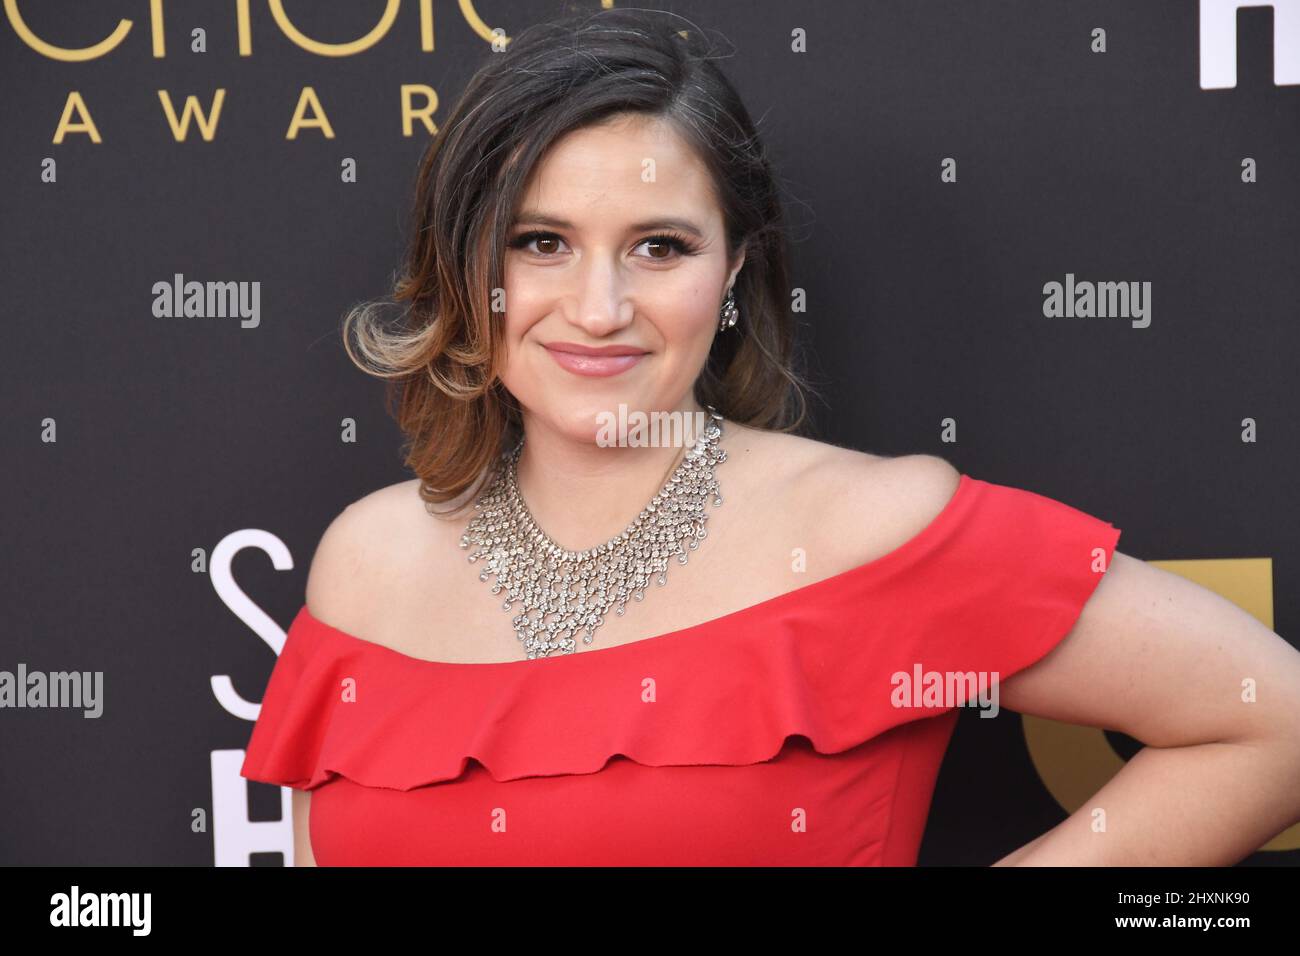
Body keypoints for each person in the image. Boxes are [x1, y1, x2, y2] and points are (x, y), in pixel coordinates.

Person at [240, 8, 1300, 866]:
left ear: (735, 271)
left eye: (659, 246)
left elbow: (1272, 721)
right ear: (467, 263)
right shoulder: (366, 562)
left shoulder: (863, 525)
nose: (598, 305)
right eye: (541, 241)